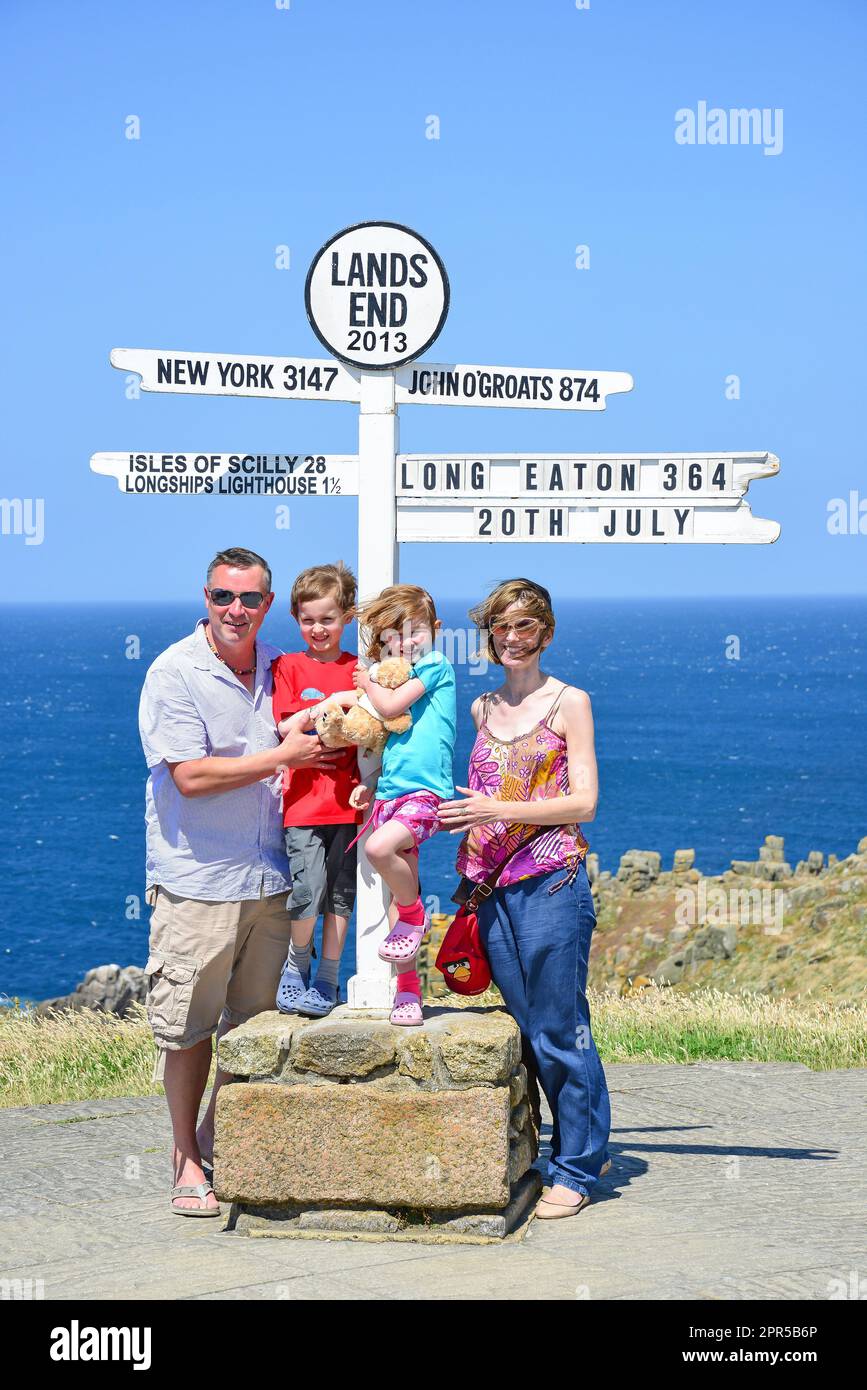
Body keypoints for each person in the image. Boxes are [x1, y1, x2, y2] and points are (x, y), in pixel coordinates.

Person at [138, 546, 343, 1215]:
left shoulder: (279, 668)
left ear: (267, 603)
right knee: (190, 1030)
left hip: (271, 877)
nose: (235, 610)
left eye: (249, 599)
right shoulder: (175, 672)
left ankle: (215, 1135)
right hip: (199, 881)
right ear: (205, 598)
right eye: (224, 597)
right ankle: (185, 1159)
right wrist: (280, 756)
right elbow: (190, 778)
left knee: (252, 1025)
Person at [439, 578, 611, 1219]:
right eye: (502, 628)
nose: (512, 639)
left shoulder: (571, 702)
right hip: (491, 888)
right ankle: (561, 1150)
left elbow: (585, 802)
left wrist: (497, 808)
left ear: (546, 632)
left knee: (562, 1029)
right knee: (530, 1028)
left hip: (551, 883)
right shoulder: (482, 707)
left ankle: (576, 1168)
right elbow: (478, 789)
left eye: (526, 627)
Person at [350, 584, 456, 1026]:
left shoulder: (435, 664)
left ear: (435, 630)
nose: (404, 643)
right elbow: (390, 734)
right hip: (394, 791)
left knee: (378, 850)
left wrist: (366, 680)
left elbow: (390, 703)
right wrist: (372, 785)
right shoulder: (403, 670)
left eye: (413, 632)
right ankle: (407, 992)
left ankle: (417, 916)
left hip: (426, 793)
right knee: (400, 885)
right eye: (392, 637)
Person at [271, 562, 362, 1018]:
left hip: (349, 805)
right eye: (308, 620)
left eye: (327, 619)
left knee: (341, 896)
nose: (318, 628)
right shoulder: (287, 666)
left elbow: (371, 722)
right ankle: (296, 967)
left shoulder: (359, 669)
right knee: (307, 890)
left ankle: (328, 976)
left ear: (347, 616)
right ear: (295, 618)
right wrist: (329, 707)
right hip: (303, 804)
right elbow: (286, 727)